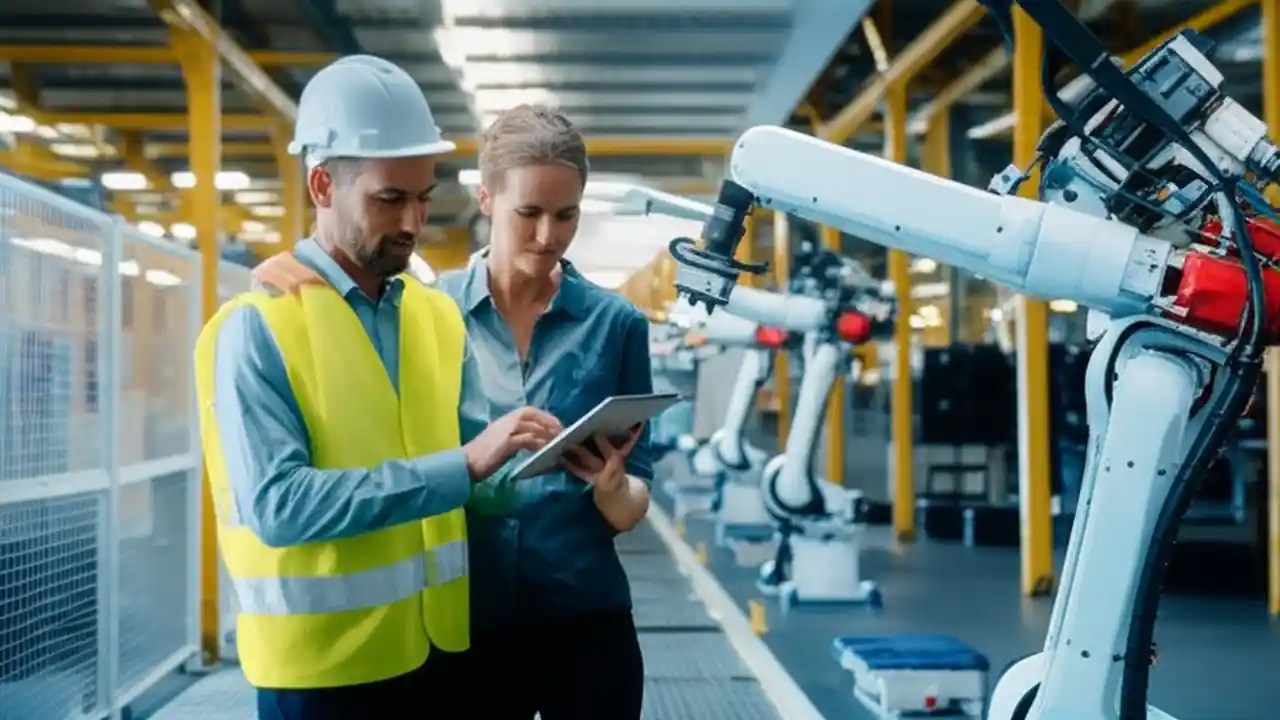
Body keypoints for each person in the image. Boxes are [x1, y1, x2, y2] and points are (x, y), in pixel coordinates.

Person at [192, 56, 562, 720]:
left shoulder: (434, 314)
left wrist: (545, 463)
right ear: (323, 185)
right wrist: (469, 462)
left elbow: (469, 479)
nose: (414, 222)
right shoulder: (258, 328)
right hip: (322, 676)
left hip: (441, 656)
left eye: (423, 197)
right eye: (390, 199)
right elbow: (281, 506)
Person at [433, 104, 656, 719]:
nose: (546, 235)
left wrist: (614, 487)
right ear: (486, 199)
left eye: (566, 215)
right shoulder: (426, 314)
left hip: (585, 618)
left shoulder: (617, 325)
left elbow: (636, 502)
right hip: (462, 619)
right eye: (527, 213)